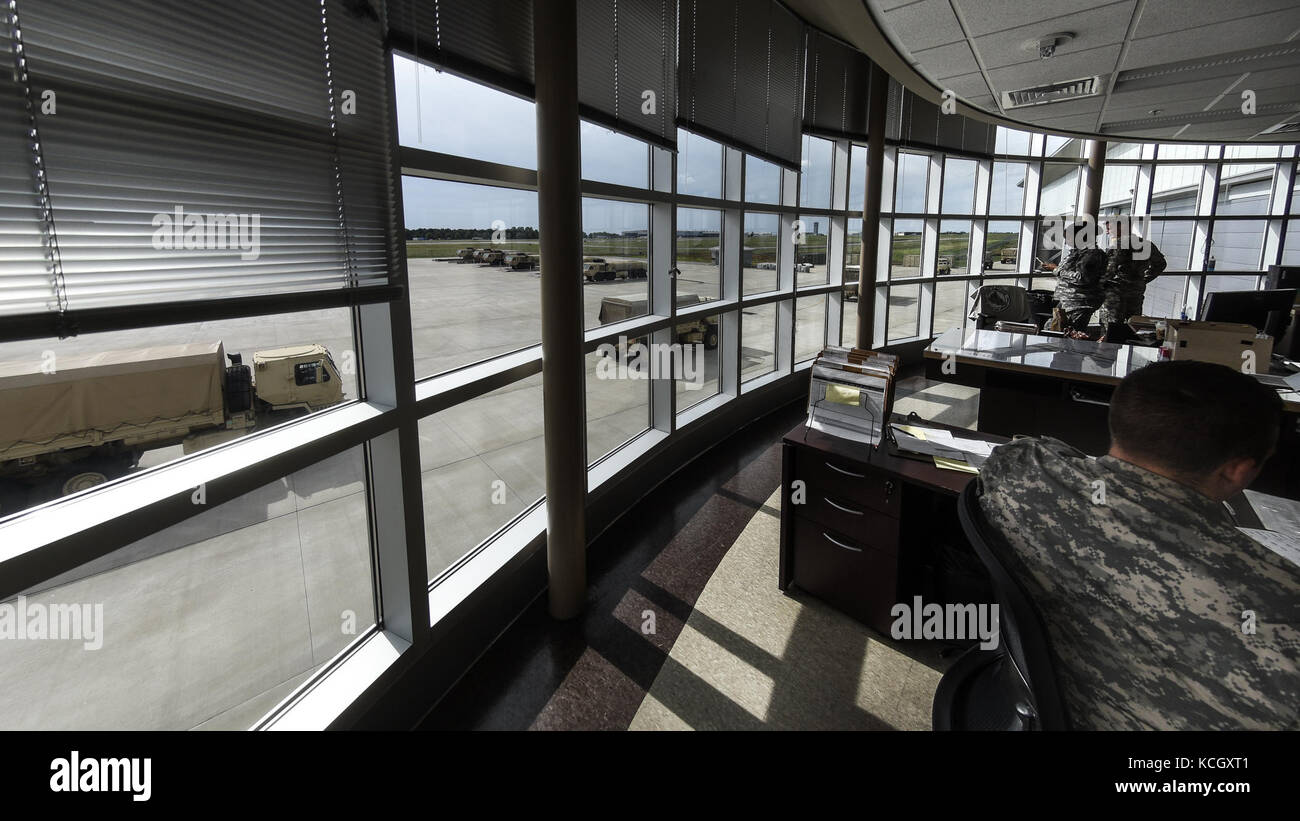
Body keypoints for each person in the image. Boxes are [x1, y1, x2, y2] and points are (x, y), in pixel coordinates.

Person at [977, 361, 1299, 730]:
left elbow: (1031, 450)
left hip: (1026, 699)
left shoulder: (1017, 470)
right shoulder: (1283, 603)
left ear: (1118, 420)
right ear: (1238, 470)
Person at [1099, 218, 1166, 337]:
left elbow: (1108, 271)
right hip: (1136, 293)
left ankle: (1108, 354)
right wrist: (1143, 280)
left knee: (1110, 331)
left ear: (1121, 228)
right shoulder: (1146, 244)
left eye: (1110, 228)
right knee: (1132, 328)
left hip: (1115, 295)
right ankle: (1126, 353)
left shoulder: (1118, 245)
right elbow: (1160, 264)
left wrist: (1097, 286)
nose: (1108, 232)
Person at [1047, 221, 1108, 334]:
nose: (1067, 241)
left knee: (1072, 335)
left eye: (1069, 237)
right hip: (1068, 301)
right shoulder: (1078, 252)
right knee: (1058, 331)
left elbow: (1082, 278)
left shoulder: (1091, 255)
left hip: (1079, 304)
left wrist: (1057, 270)